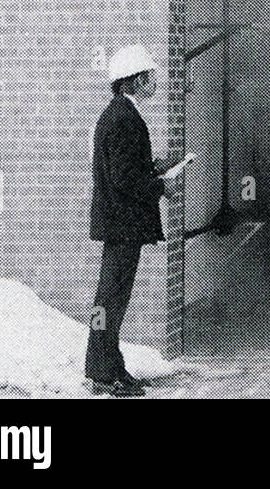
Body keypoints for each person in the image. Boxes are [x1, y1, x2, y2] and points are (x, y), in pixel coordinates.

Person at [84, 44, 175, 397]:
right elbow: (123, 178)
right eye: (151, 77)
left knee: (111, 299)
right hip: (123, 225)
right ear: (136, 80)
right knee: (110, 299)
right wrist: (159, 185)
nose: (155, 82)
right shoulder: (125, 119)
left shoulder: (118, 114)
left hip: (120, 225)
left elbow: (123, 171)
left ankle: (110, 368)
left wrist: (154, 169)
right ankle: (103, 375)